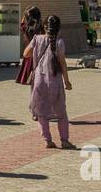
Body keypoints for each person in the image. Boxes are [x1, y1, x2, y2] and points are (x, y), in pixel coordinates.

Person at [25, 14, 74, 149]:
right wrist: (67, 82)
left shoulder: (37, 39)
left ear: (44, 26)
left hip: (39, 80)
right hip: (55, 81)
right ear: (58, 28)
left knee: (41, 112)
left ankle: (47, 140)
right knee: (61, 113)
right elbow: (63, 64)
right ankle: (64, 140)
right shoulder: (59, 43)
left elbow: (25, 54)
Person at [16, 6, 42, 85]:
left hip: (28, 49)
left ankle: (25, 78)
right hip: (38, 50)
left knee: (27, 64)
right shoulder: (40, 26)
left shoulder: (27, 27)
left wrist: (25, 16)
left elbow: (22, 24)